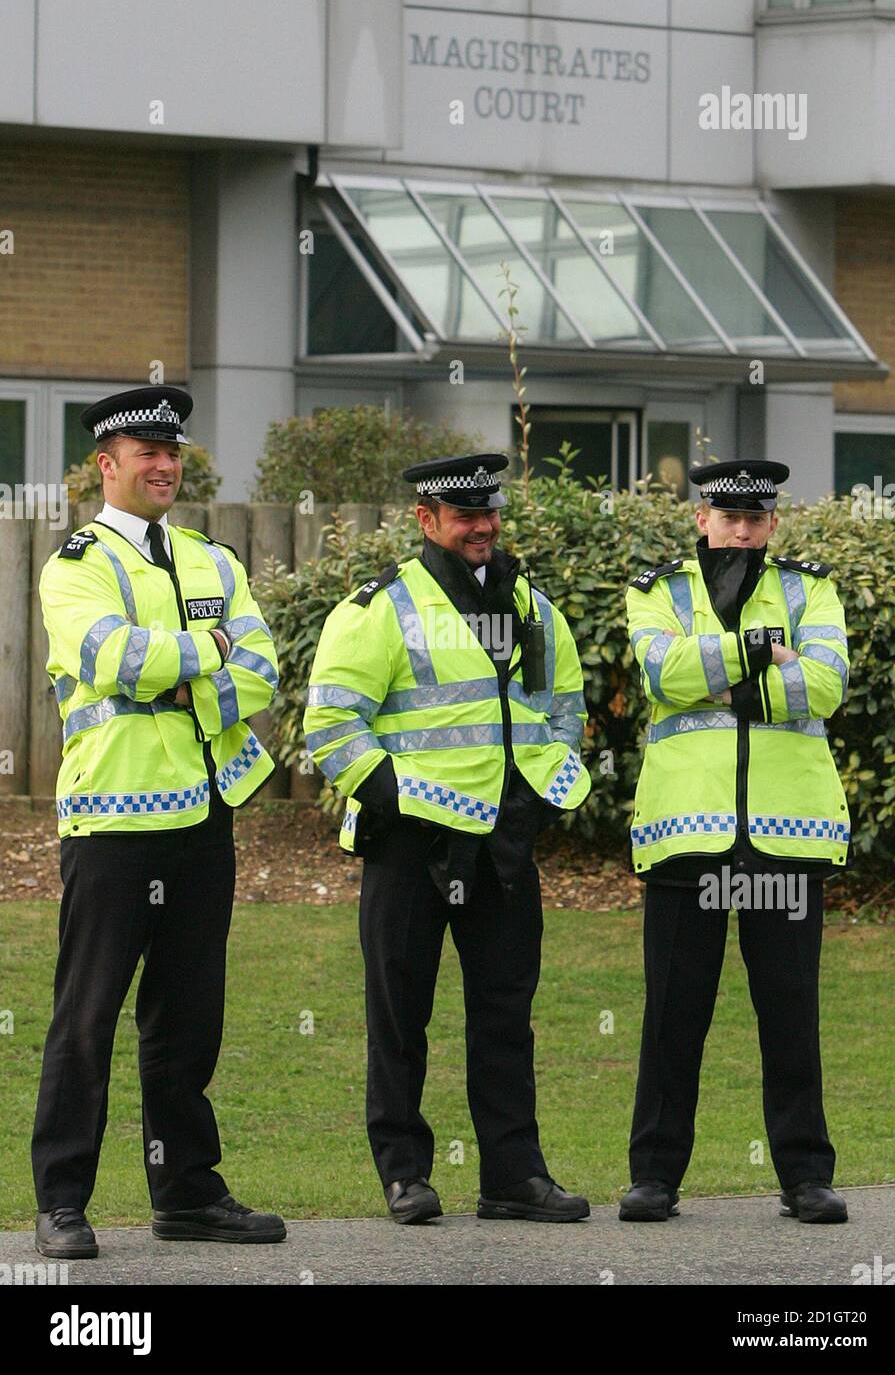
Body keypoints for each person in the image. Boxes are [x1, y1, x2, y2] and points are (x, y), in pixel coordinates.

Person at [303, 453, 592, 1223]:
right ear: (427, 521)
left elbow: (564, 706)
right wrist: (405, 803)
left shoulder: (531, 606)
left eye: (490, 513)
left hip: (502, 845)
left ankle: (512, 1177)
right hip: (411, 849)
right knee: (399, 1015)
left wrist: (540, 794)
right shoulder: (380, 608)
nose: (483, 527)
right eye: (465, 515)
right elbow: (330, 725)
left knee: (505, 1015)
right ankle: (405, 1175)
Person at [33, 386, 286, 1258]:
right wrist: (203, 658)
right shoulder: (77, 563)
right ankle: (62, 1201)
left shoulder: (214, 561)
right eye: (146, 453)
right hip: (111, 821)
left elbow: (263, 669)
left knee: (187, 1019)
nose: (164, 465)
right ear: (106, 465)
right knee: (88, 1016)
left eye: (173, 452)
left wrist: (185, 671)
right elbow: (108, 656)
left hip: (202, 819)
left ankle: (186, 1193)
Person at [620, 459, 850, 1225]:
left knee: (790, 1013)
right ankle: (652, 1176)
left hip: (786, 835)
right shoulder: (657, 592)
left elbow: (825, 685)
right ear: (701, 519)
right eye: (728, 516)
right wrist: (765, 652)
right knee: (672, 1014)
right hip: (689, 832)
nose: (742, 530)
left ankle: (804, 1177)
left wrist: (720, 671)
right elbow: (661, 674)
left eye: (755, 518)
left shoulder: (810, 589)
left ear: (772, 524)